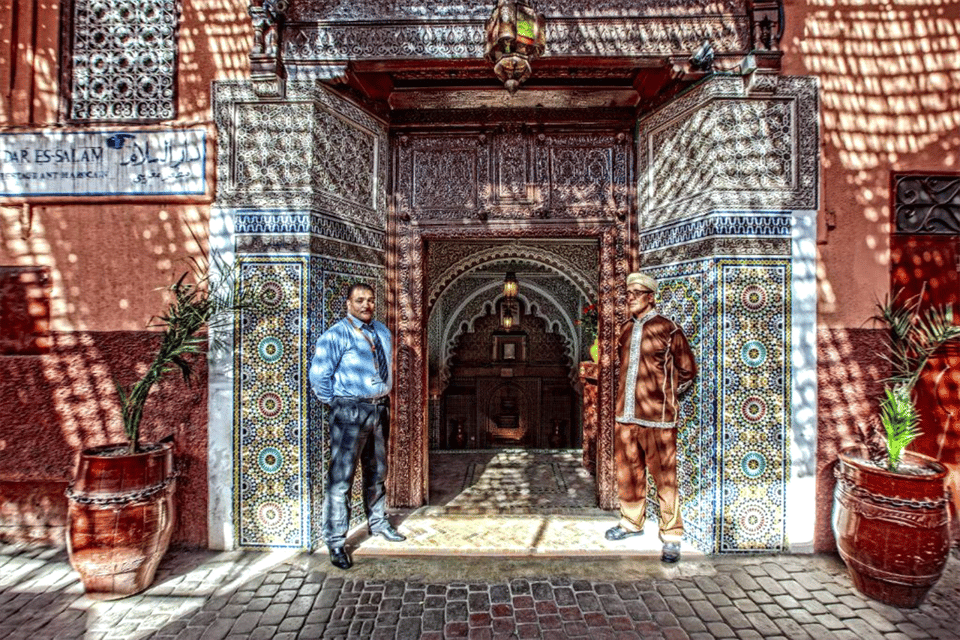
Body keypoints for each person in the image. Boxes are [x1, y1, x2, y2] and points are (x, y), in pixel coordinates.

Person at [309, 282, 406, 570]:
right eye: (360, 300)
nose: (366, 305)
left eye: (371, 300)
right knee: (341, 479)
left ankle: (378, 523)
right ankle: (336, 541)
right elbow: (319, 378)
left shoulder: (381, 332)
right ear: (348, 304)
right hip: (350, 411)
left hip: (378, 410)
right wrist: (341, 403)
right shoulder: (335, 335)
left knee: (378, 471)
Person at [606, 272, 697, 563]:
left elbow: (687, 370)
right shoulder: (625, 329)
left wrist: (664, 396)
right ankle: (631, 522)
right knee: (629, 473)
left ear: (650, 297)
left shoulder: (668, 329)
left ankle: (671, 534)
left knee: (664, 476)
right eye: (628, 293)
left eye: (636, 293)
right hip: (626, 415)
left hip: (658, 418)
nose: (629, 297)